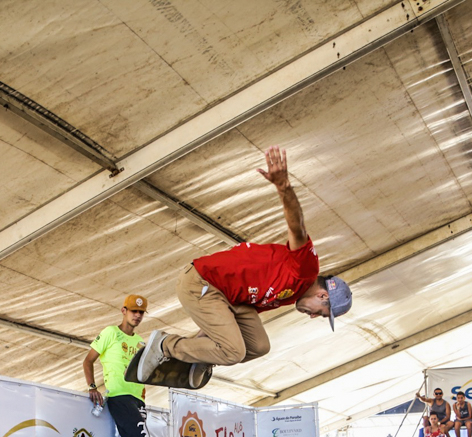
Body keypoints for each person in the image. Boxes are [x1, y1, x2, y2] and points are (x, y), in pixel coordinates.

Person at [137, 146, 353, 381]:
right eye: (321, 314)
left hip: (227, 299)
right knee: (234, 351)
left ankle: (201, 358)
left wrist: (205, 348)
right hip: (202, 282)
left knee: (259, 346)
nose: (312, 317)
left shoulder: (289, 295)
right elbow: (297, 227)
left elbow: (225, 321)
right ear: (323, 296)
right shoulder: (306, 269)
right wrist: (284, 187)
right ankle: (164, 345)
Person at [83, 294, 161, 437]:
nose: (137, 315)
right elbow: (88, 360)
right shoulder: (110, 333)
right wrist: (92, 386)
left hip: (138, 399)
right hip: (119, 396)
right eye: (133, 311)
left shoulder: (140, 343)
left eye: (141, 312)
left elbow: (144, 373)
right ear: (123, 311)